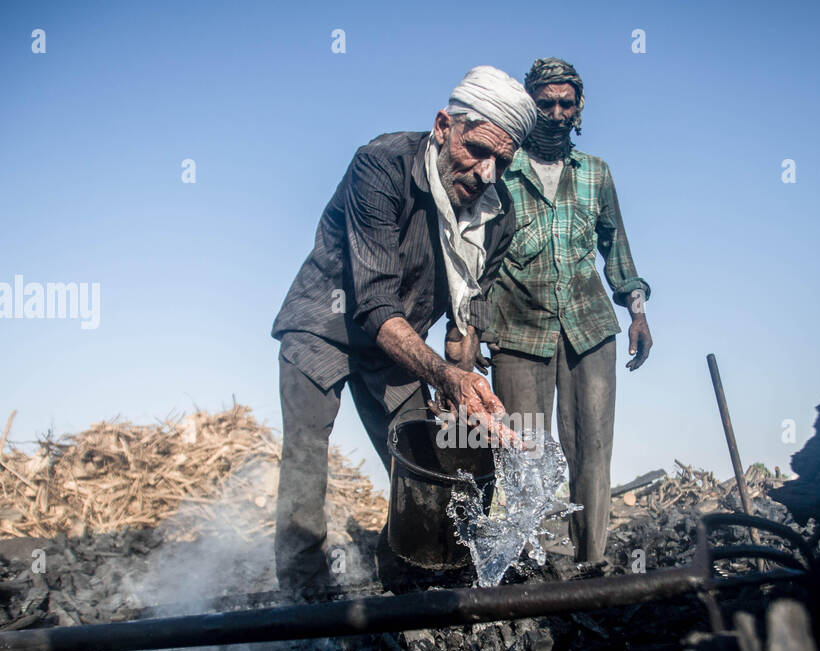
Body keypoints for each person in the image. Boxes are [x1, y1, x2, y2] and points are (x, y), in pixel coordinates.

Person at [270, 66, 536, 592]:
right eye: (478, 150)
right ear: (443, 125)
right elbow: (372, 303)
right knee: (305, 454)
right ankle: (305, 595)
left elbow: (465, 321)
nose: (486, 173)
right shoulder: (383, 165)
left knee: (426, 452)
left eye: (501, 162)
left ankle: (406, 577)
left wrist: (465, 391)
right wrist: (443, 375)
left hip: (399, 344)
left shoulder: (496, 218)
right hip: (324, 325)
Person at [486, 58, 653, 564]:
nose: (557, 113)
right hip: (518, 330)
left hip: (590, 329)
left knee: (591, 450)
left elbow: (616, 249)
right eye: (546, 103)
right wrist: (467, 327)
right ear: (529, 106)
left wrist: (637, 310)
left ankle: (591, 564)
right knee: (524, 453)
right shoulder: (501, 171)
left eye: (567, 103)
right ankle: (524, 568)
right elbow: (474, 255)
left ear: (579, 108)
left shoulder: (596, 174)